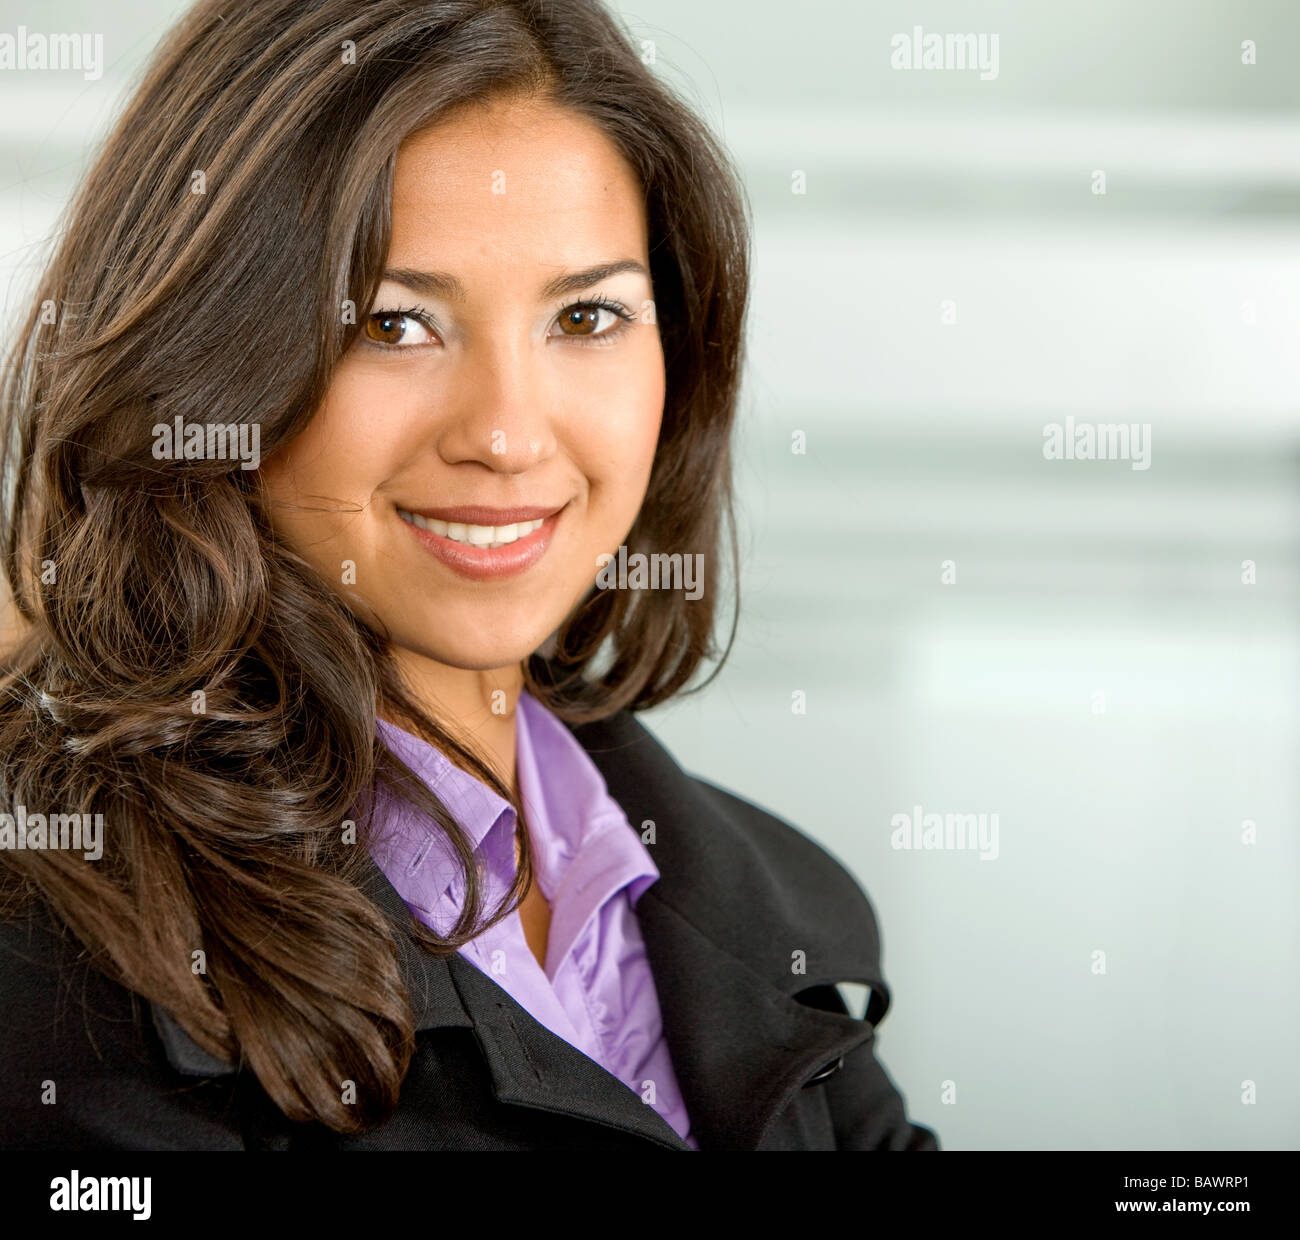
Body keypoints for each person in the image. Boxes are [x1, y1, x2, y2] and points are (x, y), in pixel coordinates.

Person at [0, 0, 937, 1151]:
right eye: (396, 325)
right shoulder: (64, 938)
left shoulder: (781, 910)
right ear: (214, 365)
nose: (504, 432)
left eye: (587, 315)